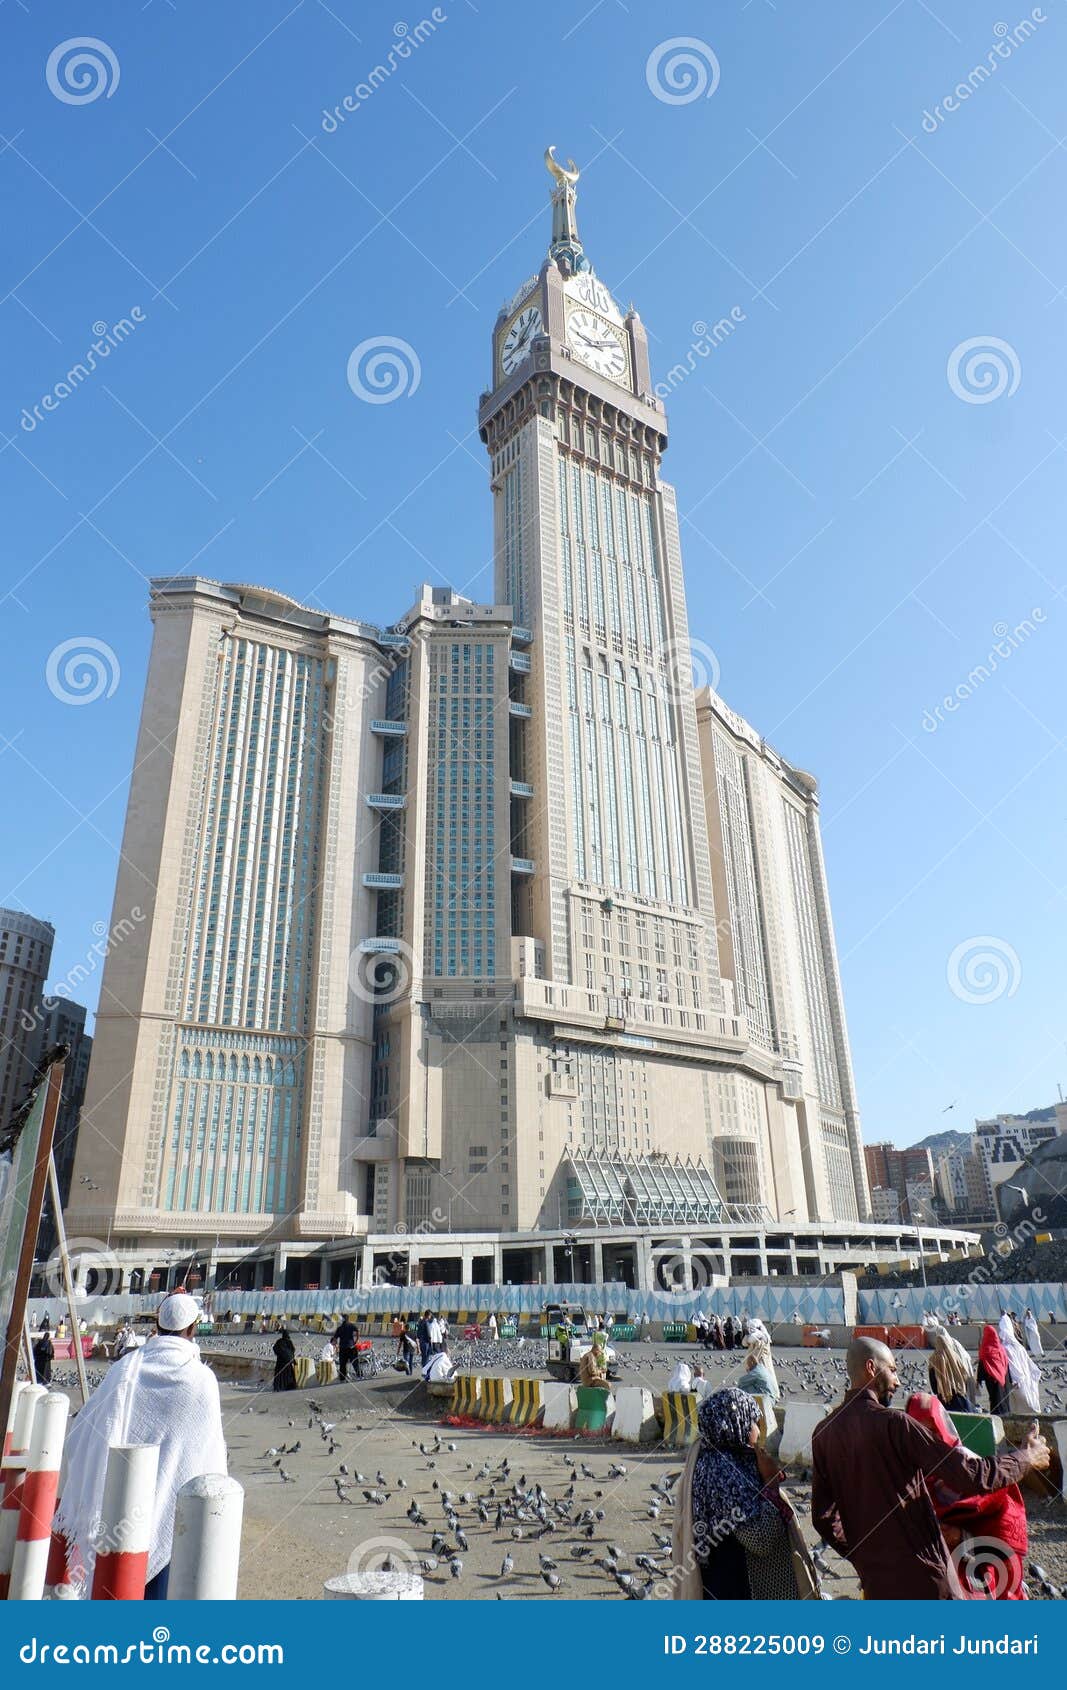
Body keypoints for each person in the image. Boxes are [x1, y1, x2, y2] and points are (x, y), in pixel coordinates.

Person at [811, 1336, 1048, 1599]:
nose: (897, 1381)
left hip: (877, 1585)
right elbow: (971, 1476)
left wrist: (866, 1555)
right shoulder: (895, 1424)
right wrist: (1027, 1457)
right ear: (870, 1367)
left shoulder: (823, 1432)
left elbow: (823, 1518)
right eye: (892, 1370)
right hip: (925, 1582)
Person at [55, 1292, 227, 1600]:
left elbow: (87, 1429)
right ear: (191, 1329)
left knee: (115, 1588)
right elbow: (209, 1452)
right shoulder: (202, 1379)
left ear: (158, 1326)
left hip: (118, 1503)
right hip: (175, 1509)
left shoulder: (126, 1368)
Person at [672, 1388, 815, 1599]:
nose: (758, 1431)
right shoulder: (724, 1471)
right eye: (754, 1423)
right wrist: (770, 1483)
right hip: (738, 1586)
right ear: (736, 1424)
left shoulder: (710, 1457)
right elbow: (760, 1540)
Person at [906, 1393, 1027, 1599]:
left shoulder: (970, 1466)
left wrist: (962, 1537)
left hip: (973, 1567)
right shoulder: (905, 1471)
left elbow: (1003, 1524)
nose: (928, 1439)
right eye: (920, 1432)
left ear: (942, 1427)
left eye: (933, 1430)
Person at [997, 1313, 1042, 1413]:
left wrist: (1016, 1380)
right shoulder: (1019, 1347)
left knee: (1017, 1410)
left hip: (1015, 1383)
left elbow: (1013, 1367)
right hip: (1025, 1380)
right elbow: (1032, 1367)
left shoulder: (1005, 1348)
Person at [927, 1325, 976, 1413]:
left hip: (944, 1399)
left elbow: (934, 1386)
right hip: (959, 1395)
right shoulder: (956, 1357)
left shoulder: (933, 1360)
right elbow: (964, 1373)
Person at [977, 1323, 1012, 1415]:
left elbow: (982, 1363)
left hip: (993, 1380)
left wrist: (979, 1379)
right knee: (1004, 1400)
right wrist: (1010, 1379)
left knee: (995, 1400)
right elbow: (1006, 1364)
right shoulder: (1001, 1349)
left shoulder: (986, 1349)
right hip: (1004, 1379)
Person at [736, 1335, 780, 1402]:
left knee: (745, 1388)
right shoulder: (763, 1369)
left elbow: (741, 1381)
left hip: (767, 1400)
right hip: (772, 1397)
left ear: (750, 1364)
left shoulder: (755, 1372)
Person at [333, 1314, 357, 1382]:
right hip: (351, 1347)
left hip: (343, 1348)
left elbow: (335, 1338)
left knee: (342, 1364)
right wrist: (356, 1340)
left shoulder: (339, 1328)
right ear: (348, 1319)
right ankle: (359, 1375)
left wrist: (336, 1346)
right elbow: (357, 1331)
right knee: (355, 1362)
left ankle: (342, 1378)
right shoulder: (351, 1326)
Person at [272, 1327, 297, 1391]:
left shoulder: (279, 1341)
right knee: (288, 1374)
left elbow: (275, 1349)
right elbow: (292, 1350)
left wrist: (279, 1354)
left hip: (280, 1362)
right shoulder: (289, 1342)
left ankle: (279, 1387)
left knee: (280, 1375)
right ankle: (288, 1386)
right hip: (287, 1362)